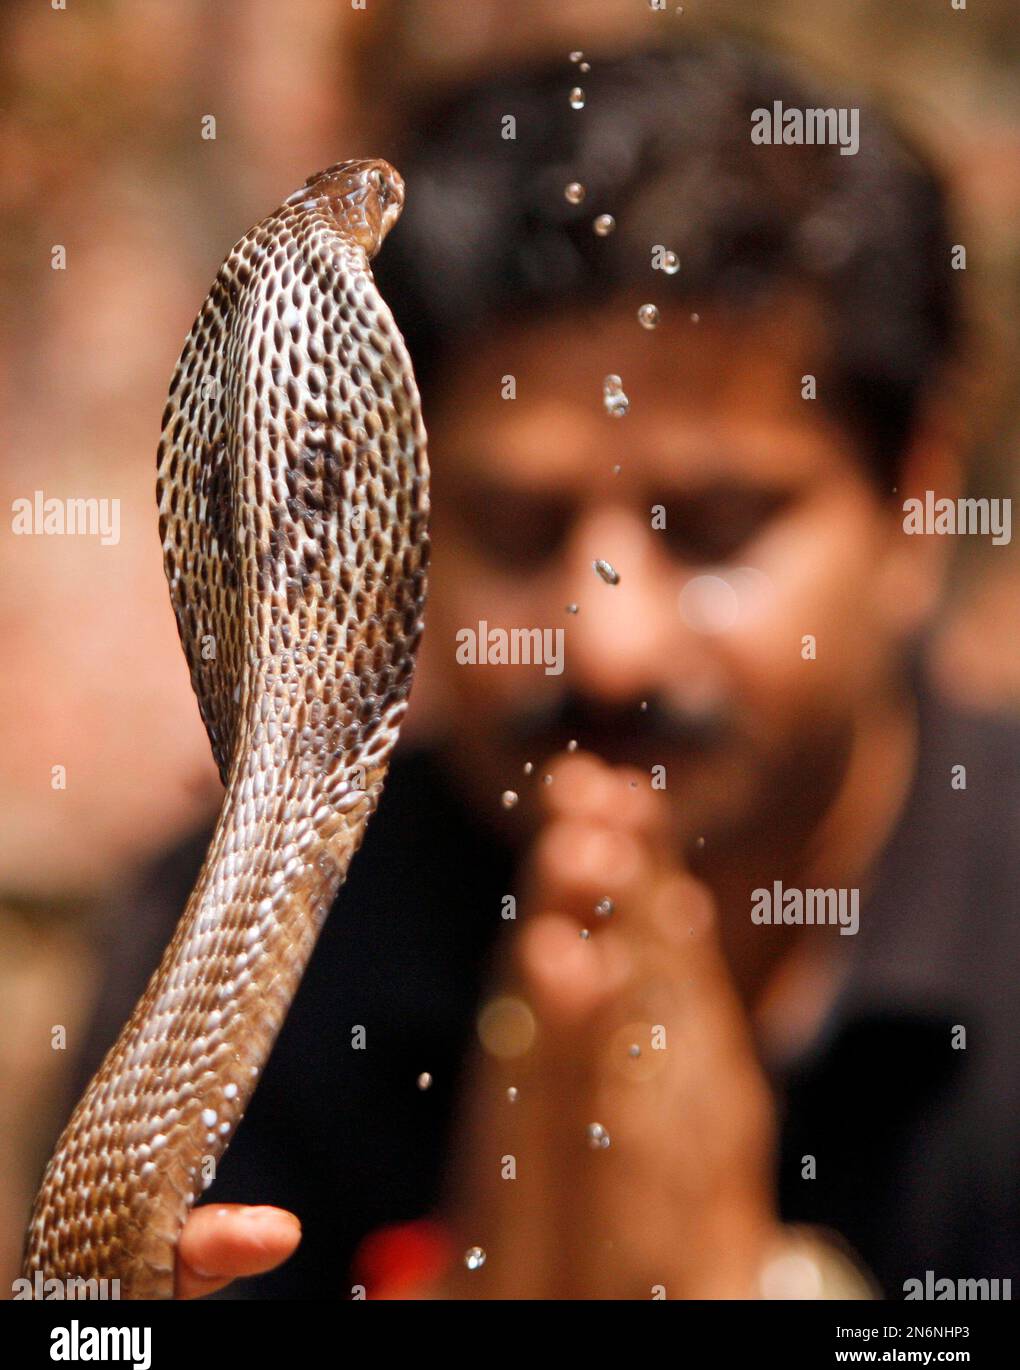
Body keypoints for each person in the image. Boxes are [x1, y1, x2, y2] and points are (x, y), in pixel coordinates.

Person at [64, 38, 1018, 1299]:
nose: (604, 643)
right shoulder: (238, 944)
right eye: (517, 531)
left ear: (914, 500)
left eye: (717, 525)